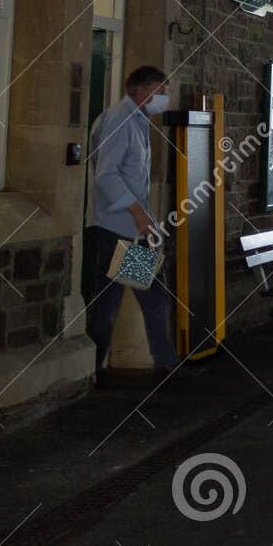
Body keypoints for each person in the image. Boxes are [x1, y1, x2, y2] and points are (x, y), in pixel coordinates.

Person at [85, 64, 178, 378]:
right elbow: (106, 176)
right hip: (117, 230)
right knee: (111, 304)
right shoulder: (120, 120)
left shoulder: (137, 121)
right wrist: (138, 214)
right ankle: (98, 369)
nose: (164, 96)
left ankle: (163, 362)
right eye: (158, 89)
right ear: (137, 90)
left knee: (146, 298)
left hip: (130, 231)